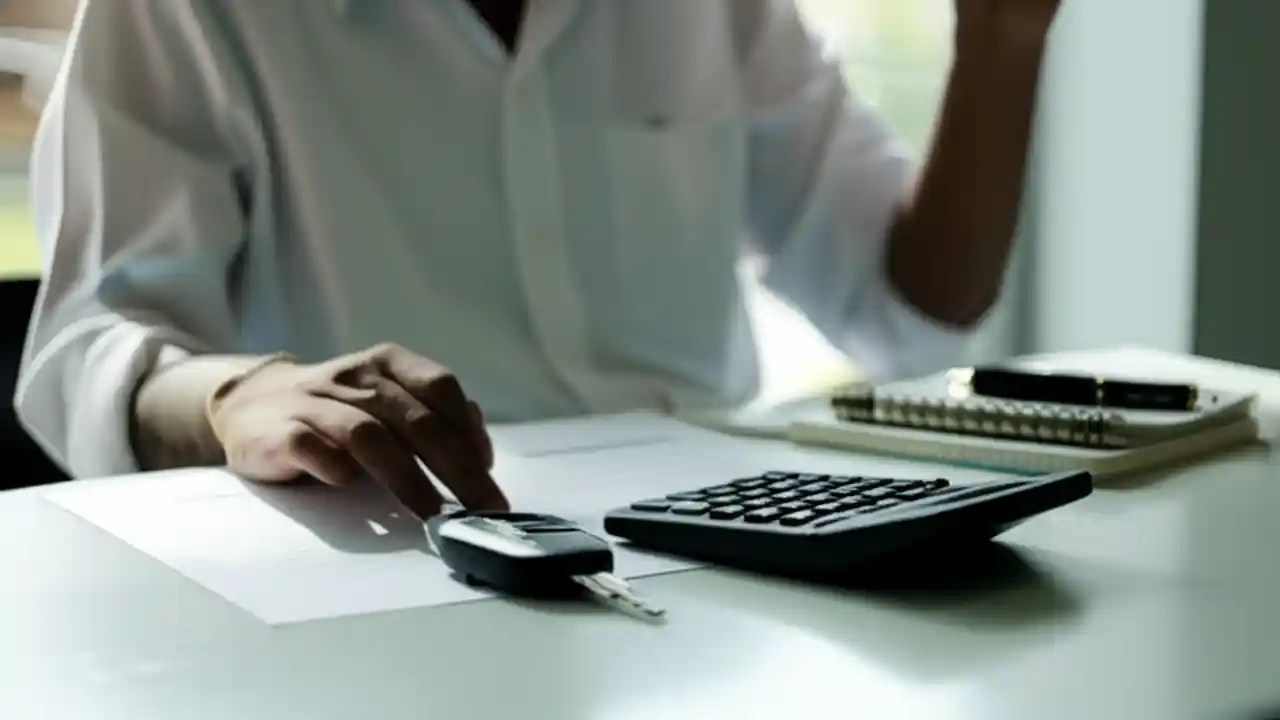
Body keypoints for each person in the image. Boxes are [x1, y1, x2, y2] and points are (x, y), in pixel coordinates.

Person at [16, 0, 1060, 518]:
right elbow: (83, 349)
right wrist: (237, 397)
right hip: (390, 563)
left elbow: (912, 303)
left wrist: (999, 42)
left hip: (715, 560)